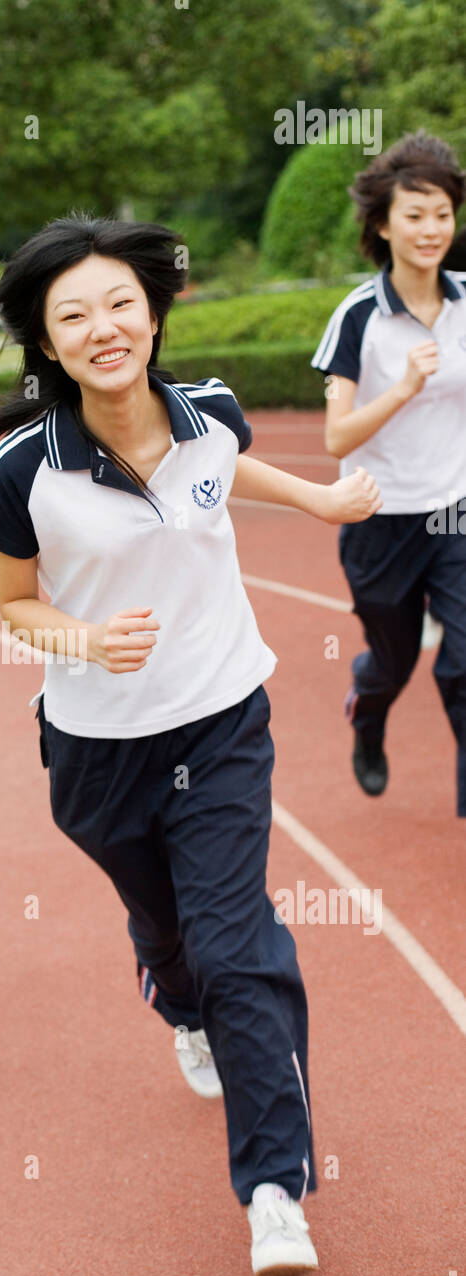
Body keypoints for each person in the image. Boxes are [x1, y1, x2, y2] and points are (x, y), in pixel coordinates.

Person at [0, 215, 380, 1275]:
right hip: (97, 747)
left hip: (220, 718)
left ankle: (273, 1187)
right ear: (46, 345)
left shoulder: (207, 414)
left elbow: (224, 471)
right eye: (73, 316)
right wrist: (86, 640)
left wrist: (320, 496)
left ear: (152, 311)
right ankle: (171, 994)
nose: (103, 327)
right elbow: (14, 605)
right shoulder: (25, 467)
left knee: (235, 943)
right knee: (168, 936)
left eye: (119, 303)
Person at [311, 131, 466, 810]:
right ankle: (368, 716)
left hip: (456, 512)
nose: (431, 229)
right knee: (395, 662)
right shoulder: (359, 317)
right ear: (382, 223)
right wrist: (402, 388)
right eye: (415, 215)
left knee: (465, 664)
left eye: (442, 214)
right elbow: (334, 435)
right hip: (378, 518)